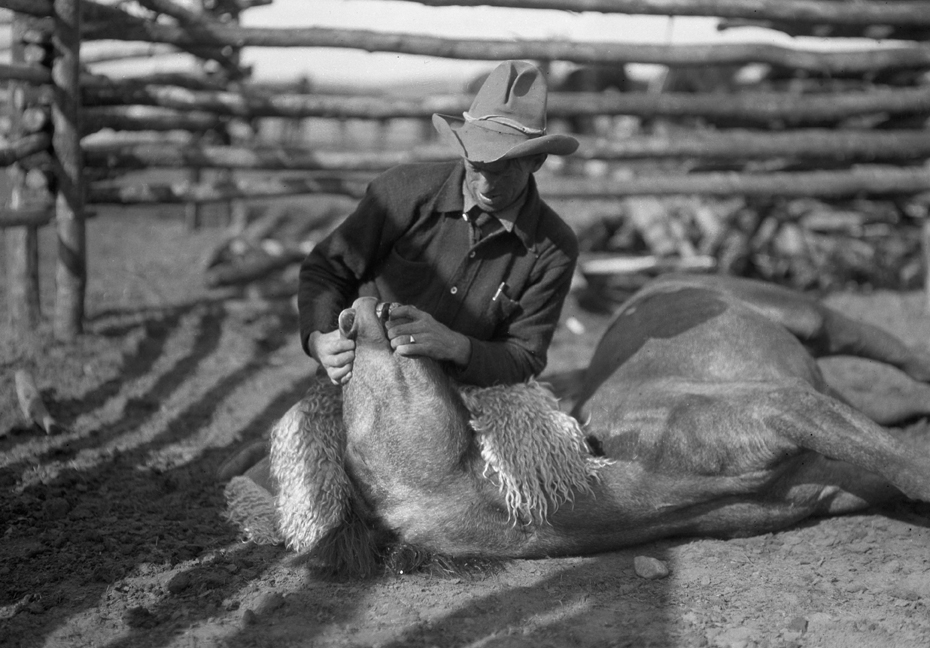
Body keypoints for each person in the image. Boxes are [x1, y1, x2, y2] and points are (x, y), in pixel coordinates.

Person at [299, 60, 580, 388]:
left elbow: (525, 357)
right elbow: (326, 268)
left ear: (537, 161)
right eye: (477, 166)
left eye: (504, 170)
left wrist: (455, 346)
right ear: (462, 151)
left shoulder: (552, 247)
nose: (486, 186)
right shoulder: (403, 191)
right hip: (361, 382)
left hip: (463, 399)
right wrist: (321, 340)